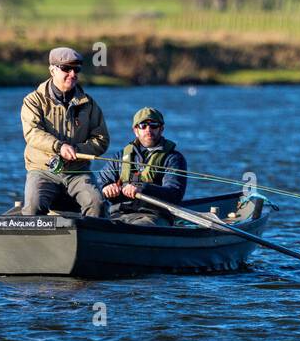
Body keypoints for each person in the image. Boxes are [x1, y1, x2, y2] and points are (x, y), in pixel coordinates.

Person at [20, 47, 110, 217]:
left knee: (97, 204)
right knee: (33, 208)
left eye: (76, 69)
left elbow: (102, 139)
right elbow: (32, 133)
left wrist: (78, 150)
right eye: (66, 68)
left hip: (78, 172)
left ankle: (91, 241)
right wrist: (59, 147)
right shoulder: (33, 101)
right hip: (42, 171)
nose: (72, 74)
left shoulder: (89, 104)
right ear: (52, 70)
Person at [97, 106, 187, 226]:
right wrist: (105, 187)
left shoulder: (173, 158)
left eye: (153, 125)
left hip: (153, 216)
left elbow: (174, 194)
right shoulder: (120, 156)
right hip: (118, 214)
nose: (148, 130)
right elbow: (98, 183)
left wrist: (143, 188)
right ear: (136, 130)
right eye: (143, 126)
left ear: (161, 129)